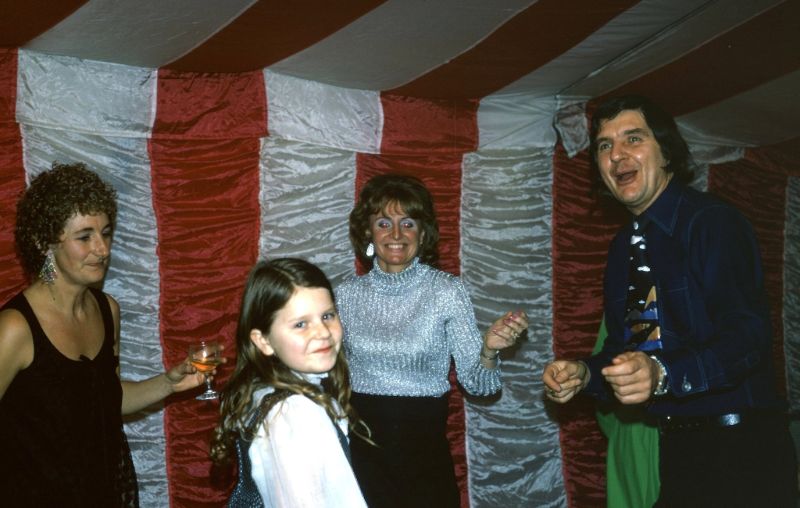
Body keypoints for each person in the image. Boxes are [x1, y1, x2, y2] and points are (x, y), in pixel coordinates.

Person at [542, 95, 797, 507]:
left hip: (741, 449)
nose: (617, 155)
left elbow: (746, 336)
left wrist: (662, 374)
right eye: (605, 146)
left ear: (666, 154)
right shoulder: (623, 246)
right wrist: (584, 375)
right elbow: (625, 351)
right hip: (678, 448)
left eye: (633, 139)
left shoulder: (712, 222)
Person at [0, 162, 212, 507]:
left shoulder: (107, 310)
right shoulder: (15, 327)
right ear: (43, 242)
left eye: (106, 232)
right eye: (85, 237)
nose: (102, 249)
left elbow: (108, 401)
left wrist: (169, 384)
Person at [336, 173, 529, 507]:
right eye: (383, 223)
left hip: (425, 465)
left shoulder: (447, 291)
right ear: (367, 231)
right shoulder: (343, 296)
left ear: (422, 233)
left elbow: (482, 386)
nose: (396, 234)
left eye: (408, 223)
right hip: (361, 463)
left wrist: (488, 351)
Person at [211, 258, 367, 507]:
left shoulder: (269, 391)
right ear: (263, 341)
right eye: (301, 324)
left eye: (327, 315)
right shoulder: (295, 413)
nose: (323, 332)